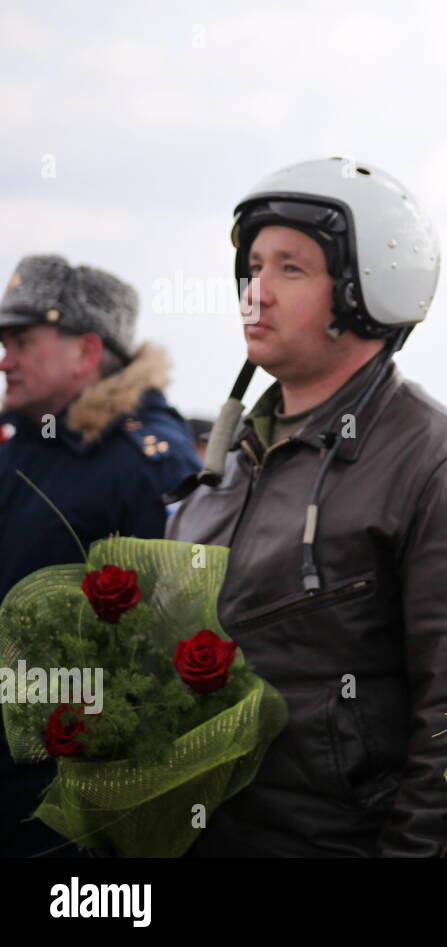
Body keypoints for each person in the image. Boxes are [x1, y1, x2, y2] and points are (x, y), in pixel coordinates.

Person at [166, 157, 447, 856]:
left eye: (290, 270)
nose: (256, 293)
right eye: (253, 266)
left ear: (368, 291)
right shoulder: (228, 462)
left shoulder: (445, 467)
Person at [0, 253, 199, 856]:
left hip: (77, 805)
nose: (5, 359)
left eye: (23, 341)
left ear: (87, 352)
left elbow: (173, 652)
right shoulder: (22, 449)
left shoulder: (150, 466)